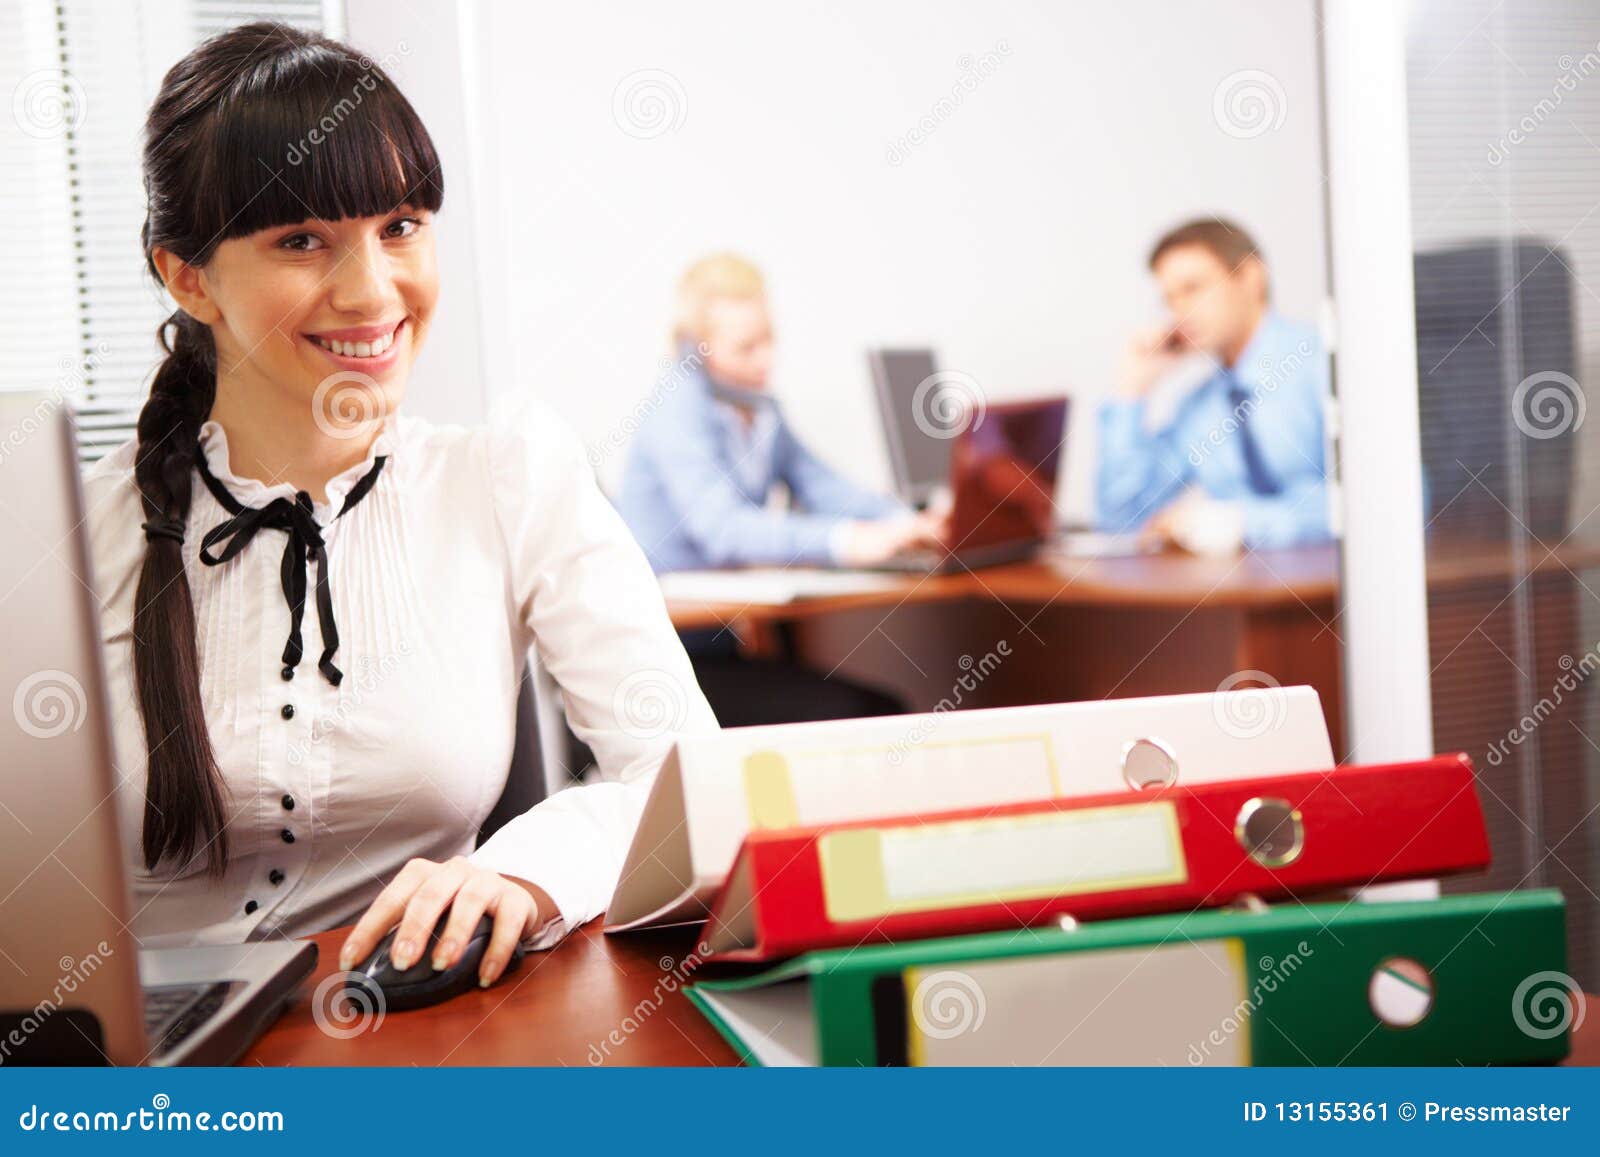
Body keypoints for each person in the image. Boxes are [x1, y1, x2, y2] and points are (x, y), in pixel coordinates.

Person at [83, 23, 715, 988]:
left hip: (408, 1037)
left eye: (402, 227)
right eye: (302, 240)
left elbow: (686, 781)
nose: (372, 292)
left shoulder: (509, 477)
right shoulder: (61, 532)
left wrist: (524, 871)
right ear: (187, 276)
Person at [617, 254, 936, 723]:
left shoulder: (759, 408)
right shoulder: (676, 411)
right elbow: (722, 529)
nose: (766, 359)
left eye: (769, 340)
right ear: (696, 348)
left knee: (874, 707)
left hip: (722, 646)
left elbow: (824, 486)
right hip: (666, 671)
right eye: (746, 347)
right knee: (867, 713)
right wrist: (847, 541)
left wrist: (906, 523)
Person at [1096, 218, 1332, 552]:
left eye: (1192, 288)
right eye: (1169, 299)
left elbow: (1387, 497)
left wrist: (1242, 522)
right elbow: (1121, 522)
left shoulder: (1325, 365)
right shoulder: (1199, 406)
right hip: (1243, 594)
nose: (1179, 312)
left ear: (1250, 277)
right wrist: (1130, 391)